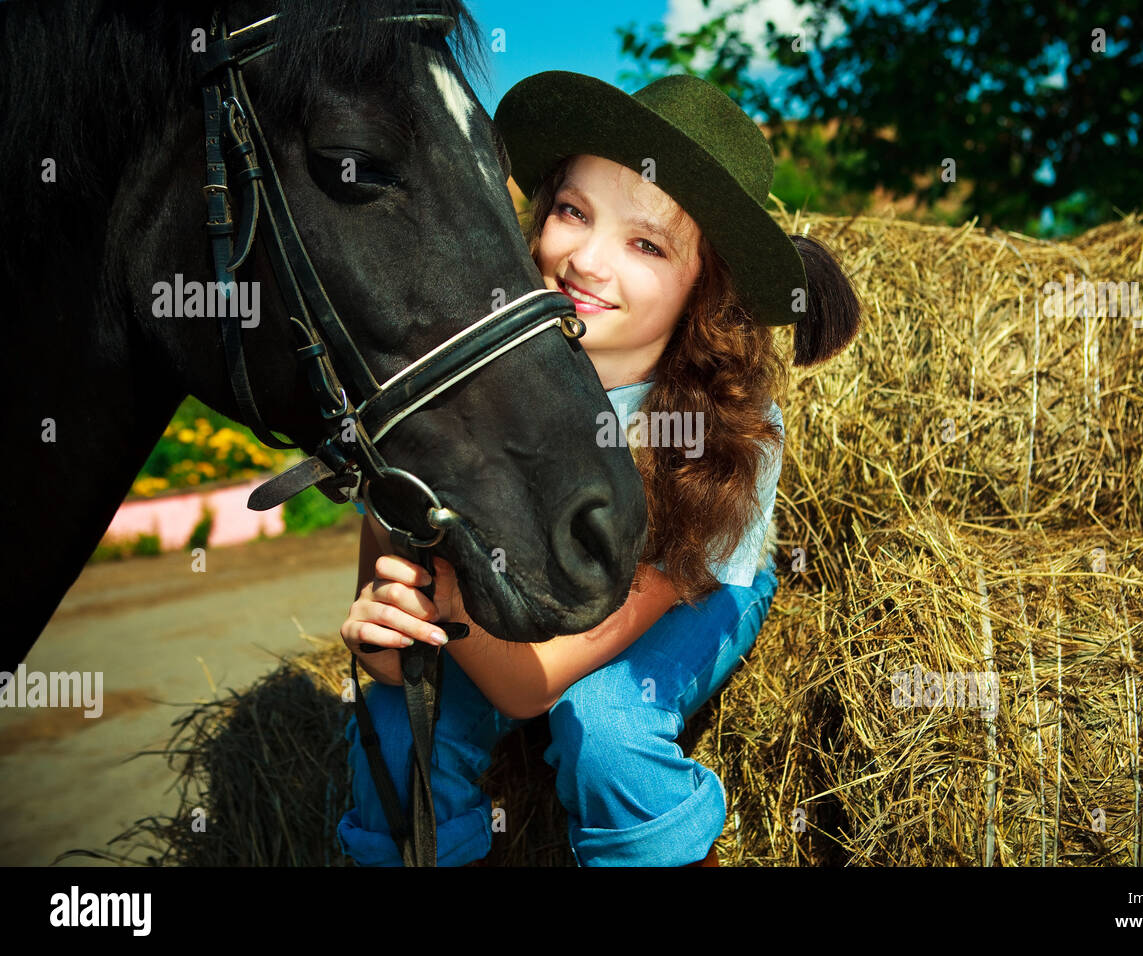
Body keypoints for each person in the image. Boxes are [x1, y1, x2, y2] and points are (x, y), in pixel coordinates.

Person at [336, 71, 860, 866]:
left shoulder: (716, 444)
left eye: (645, 244)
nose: (586, 259)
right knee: (395, 723)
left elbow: (533, 685)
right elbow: (391, 635)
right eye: (573, 212)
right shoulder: (466, 397)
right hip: (519, 602)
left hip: (684, 587)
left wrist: (450, 606)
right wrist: (386, 631)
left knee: (607, 723)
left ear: (702, 290)